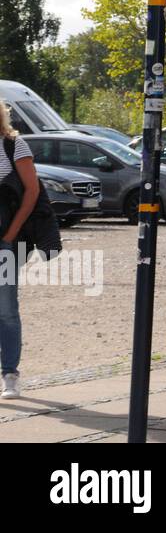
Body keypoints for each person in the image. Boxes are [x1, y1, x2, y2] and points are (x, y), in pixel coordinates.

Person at [0, 100, 37, 399]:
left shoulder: (14, 145)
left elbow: (32, 191)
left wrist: (10, 236)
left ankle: (10, 374)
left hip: (5, 243)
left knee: (6, 310)